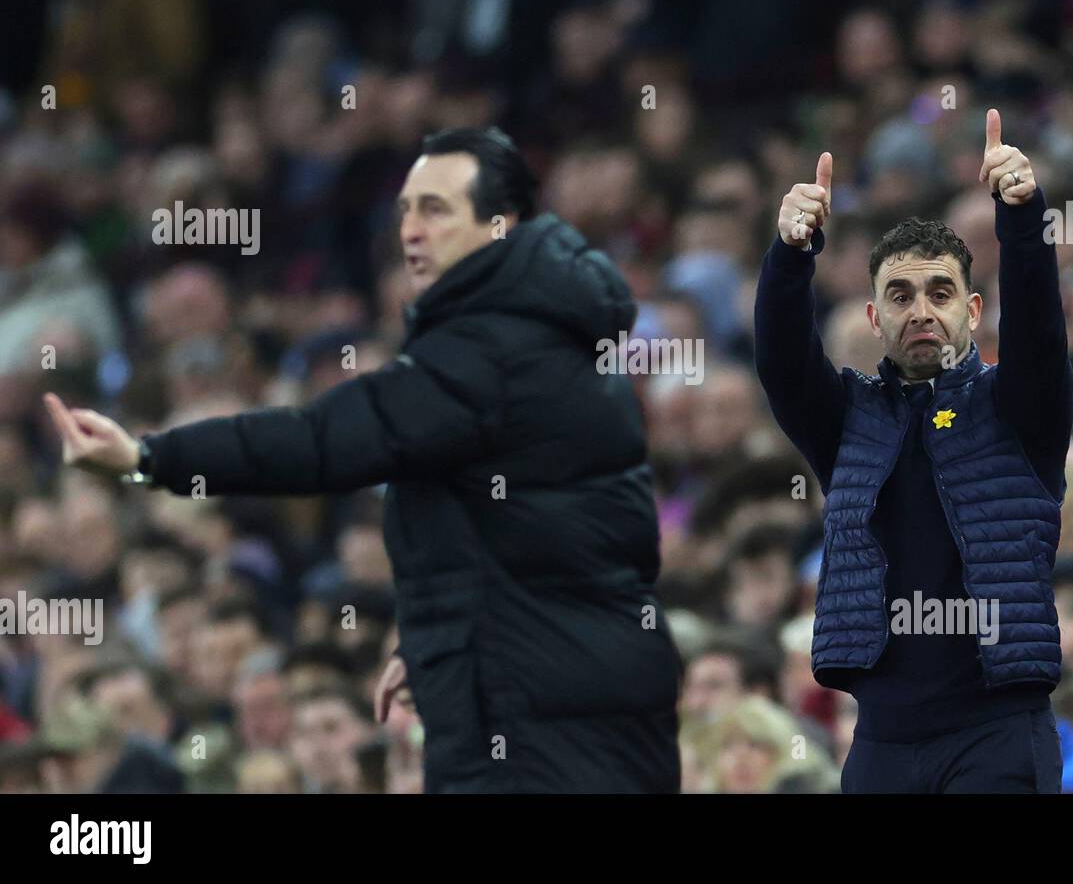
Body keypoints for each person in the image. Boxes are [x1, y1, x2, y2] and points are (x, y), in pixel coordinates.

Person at [43, 126, 682, 793]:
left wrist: (148, 456)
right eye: (405, 209)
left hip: (532, 720)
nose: (410, 230)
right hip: (576, 694)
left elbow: (322, 439)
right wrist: (436, 646)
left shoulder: (486, 350)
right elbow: (561, 537)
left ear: (501, 225)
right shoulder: (553, 333)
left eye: (436, 209)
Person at [755, 110, 1073, 792]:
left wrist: (1022, 217)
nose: (920, 309)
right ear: (873, 317)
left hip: (997, 736)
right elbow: (781, 363)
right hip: (880, 746)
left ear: (973, 310)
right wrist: (789, 256)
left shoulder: (1019, 409)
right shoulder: (847, 420)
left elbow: (1042, 334)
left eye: (940, 292)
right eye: (899, 295)